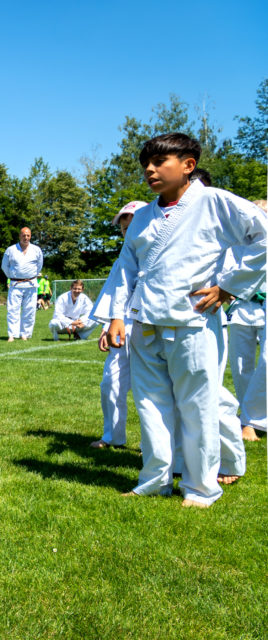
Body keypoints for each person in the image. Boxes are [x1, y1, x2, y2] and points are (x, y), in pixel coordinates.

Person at [105, 133, 265, 508]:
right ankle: (155, 479)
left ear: (188, 165)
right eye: (146, 163)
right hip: (145, 321)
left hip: (192, 320)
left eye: (160, 162)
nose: (150, 169)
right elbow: (126, 267)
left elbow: (263, 237)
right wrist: (116, 315)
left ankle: (200, 488)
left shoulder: (214, 201)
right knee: (150, 405)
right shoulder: (143, 214)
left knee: (198, 407)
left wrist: (228, 286)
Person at [88, 201, 146, 448]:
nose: (128, 232)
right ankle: (113, 437)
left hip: (150, 326)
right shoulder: (122, 260)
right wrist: (105, 326)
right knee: (110, 382)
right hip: (120, 327)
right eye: (124, 229)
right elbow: (113, 293)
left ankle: (157, 447)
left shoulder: (156, 254)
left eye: (132, 226)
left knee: (152, 391)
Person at [227, 292, 265, 441]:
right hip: (241, 305)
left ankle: (250, 419)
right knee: (240, 366)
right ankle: (247, 422)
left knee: (266, 363)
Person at [1, 227, 43, 341]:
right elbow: (4, 266)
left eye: (28, 235)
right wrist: (13, 276)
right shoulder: (11, 250)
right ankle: (12, 334)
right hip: (15, 284)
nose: (26, 237)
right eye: (24, 235)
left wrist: (31, 275)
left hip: (31, 283)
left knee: (29, 310)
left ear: (30, 236)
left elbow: (39, 266)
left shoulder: (36, 250)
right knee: (13, 310)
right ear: (20, 236)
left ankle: (25, 334)